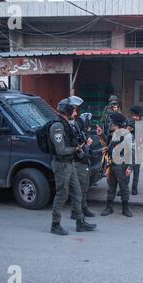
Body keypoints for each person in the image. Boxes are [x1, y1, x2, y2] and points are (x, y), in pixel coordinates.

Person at [49, 96, 97, 235]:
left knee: (77, 193)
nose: (76, 113)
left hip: (69, 163)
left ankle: (80, 223)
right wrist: (77, 149)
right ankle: (55, 224)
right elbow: (61, 150)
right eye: (74, 110)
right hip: (61, 165)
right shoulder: (57, 126)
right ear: (68, 110)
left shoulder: (67, 124)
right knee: (61, 195)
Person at [97, 112, 134, 217]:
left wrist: (130, 167)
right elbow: (107, 143)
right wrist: (101, 135)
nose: (112, 125)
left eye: (114, 124)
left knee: (124, 187)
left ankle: (125, 209)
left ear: (119, 125)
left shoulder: (127, 136)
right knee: (111, 187)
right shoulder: (113, 133)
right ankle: (109, 208)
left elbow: (131, 152)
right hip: (111, 164)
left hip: (122, 166)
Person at [69, 112, 97, 219]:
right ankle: (75, 212)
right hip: (79, 164)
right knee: (79, 190)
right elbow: (78, 149)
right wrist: (87, 145)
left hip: (84, 164)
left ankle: (83, 208)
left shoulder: (82, 131)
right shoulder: (76, 131)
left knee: (84, 189)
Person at [126, 105, 143, 195]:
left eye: (136, 116)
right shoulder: (129, 123)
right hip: (128, 151)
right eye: (133, 115)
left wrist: (142, 146)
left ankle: (134, 188)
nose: (134, 117)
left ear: (140, 116)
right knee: (127, 170)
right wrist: (127, 130)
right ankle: (124, 189)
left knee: (136, 171)